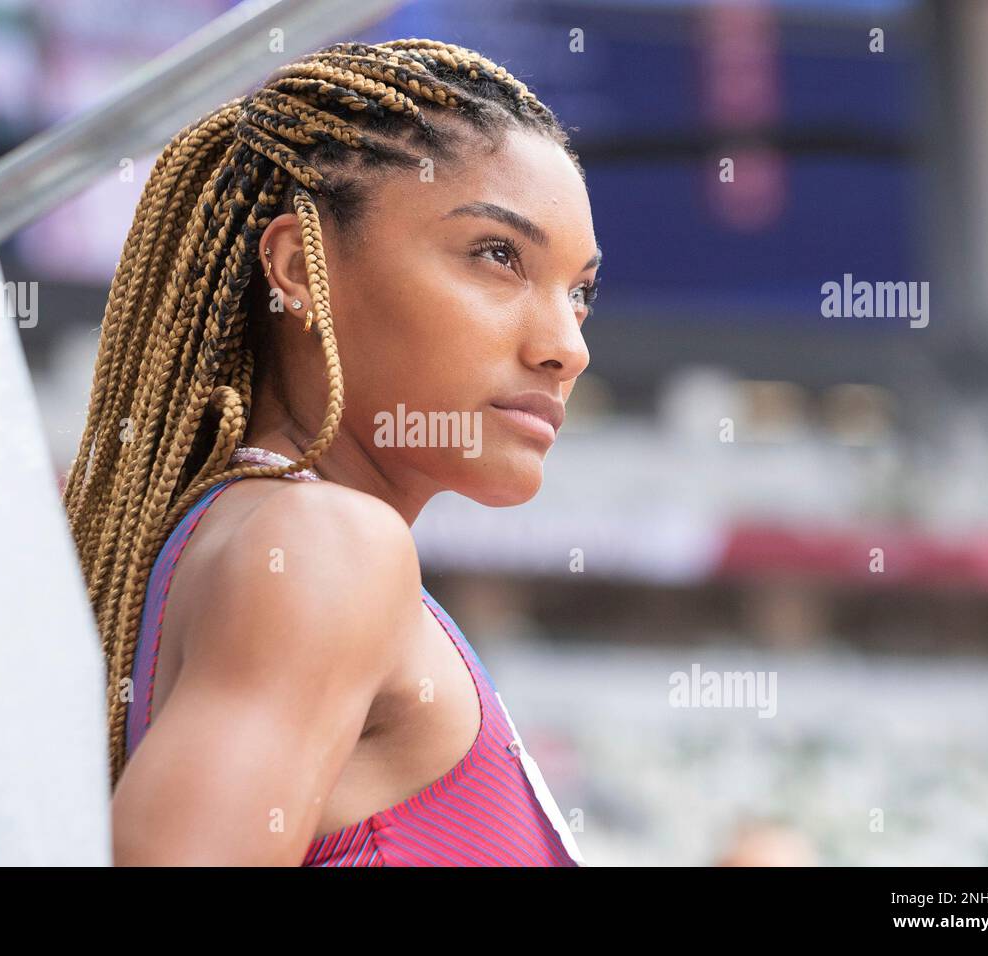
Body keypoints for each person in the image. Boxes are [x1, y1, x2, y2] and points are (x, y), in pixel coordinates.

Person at [62, 39, 600, 866]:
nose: (567, 346)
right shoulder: (326, 546)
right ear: (298, 268)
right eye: (498, 255)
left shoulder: (250, 543)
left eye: (581, 292)